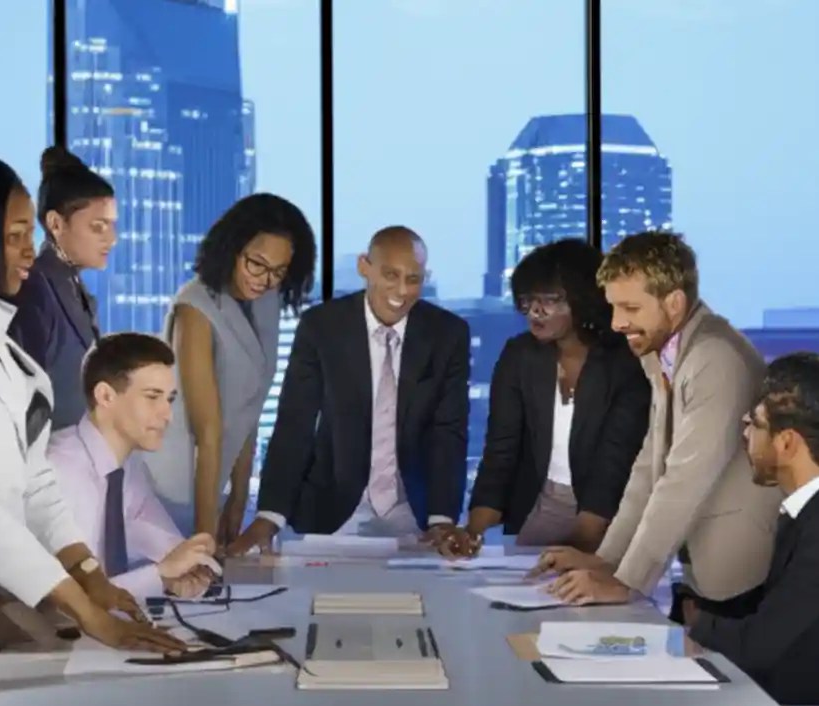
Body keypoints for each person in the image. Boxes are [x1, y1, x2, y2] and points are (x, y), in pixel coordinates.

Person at [0, 148, 181, 689]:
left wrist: (91, 577)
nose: (31, 250)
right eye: (15, 236)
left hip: (3, 592)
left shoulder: (9, 352)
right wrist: (85, 609)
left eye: (30, 234)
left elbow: (37, 484)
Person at [539, 231, 781, 619]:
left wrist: (628, 582)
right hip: (701, 567)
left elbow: (683, 479)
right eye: (614, 307)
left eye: (631, 308)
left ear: (674, 303)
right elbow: (649, 468)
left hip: (737, 573)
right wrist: (607, 561)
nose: (617, 323)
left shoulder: (714, 358)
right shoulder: (662, 352)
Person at [228, 226, 470, 553]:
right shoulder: (322, 326)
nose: (402, 290)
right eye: (391, 275)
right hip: (333, 508)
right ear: (364, 267)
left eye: (413, 279)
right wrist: (269, 516)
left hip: (414, 512)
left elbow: (448, 432)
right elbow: (295, 424)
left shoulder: (447, 334)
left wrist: (441, 518)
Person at [687, 353, 819, 706]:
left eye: (754, 423)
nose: (745, 433)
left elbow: (755, 648)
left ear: (786, 443)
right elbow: (775, 613)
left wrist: (691, 622)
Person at [440, 239, 650, 554]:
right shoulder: (520, 356)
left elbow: (613, 467)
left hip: (613, 514)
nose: (535, 311)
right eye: (528, 300)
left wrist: (576, 549)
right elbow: (501, 452)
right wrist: (472, 533)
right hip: (544, 504)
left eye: (550, 300)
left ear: (584, 299)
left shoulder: (624, 363)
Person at [144, 192, 316, 543]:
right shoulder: (195, 308)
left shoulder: (265, 303)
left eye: (278, 271)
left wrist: (238, 500)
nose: (265, 280)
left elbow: (250, 408)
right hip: (167, 489)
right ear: (233, 248)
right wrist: (204, 539)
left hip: (214, 483)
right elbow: (207, 432)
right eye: (257, 264)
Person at [49, 332, 222, 600]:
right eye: (152, 397)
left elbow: (163, 543)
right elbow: (69, 600)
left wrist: (190, 564)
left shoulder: (128, 468)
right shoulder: (58, 470)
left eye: (170, 399)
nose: (168, 414)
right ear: (105, 396)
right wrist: (160, 574)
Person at [8, 146, 116, 429]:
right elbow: (26, 404)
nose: (111, 239)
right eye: (98, 227)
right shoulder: (34, 290)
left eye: (111, 226)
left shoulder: (74, 288)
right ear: (56, 223)